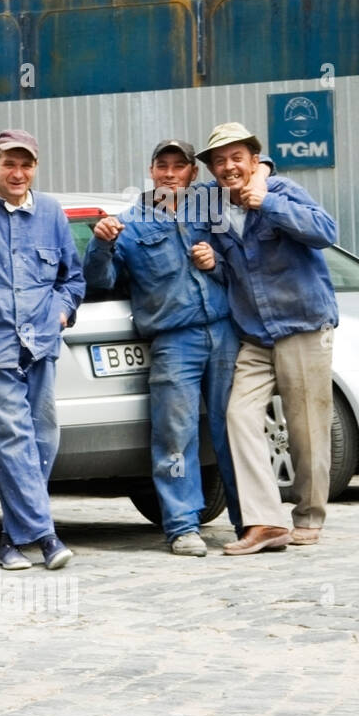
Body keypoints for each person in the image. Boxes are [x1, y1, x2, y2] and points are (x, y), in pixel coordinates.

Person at [83, 139, 249, 556]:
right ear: (152, 171)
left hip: (224, 332)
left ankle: (250, 520)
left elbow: (243, 267)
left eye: (180, 166)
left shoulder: (211, 214)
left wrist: (218, 262)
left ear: (193, 173)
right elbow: (99, 281)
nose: (171, 173)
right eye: (163, 166)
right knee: (175, 433)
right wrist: (100, 243)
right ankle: (182, 526)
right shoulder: (128, 223)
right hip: (174, 340)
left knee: (236, 429)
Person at [193, 122, 339, 555]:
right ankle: (266, 522)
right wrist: (210, 261)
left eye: (236, 157)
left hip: (302, 324)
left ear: (254, 160)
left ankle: (309, 517)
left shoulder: (283, 190)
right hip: (255, 333)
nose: (227, 166)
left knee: (306, 428)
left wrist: (270, 203)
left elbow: (325, 232)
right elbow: (234, 273)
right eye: (219, 161)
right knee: (239, 415)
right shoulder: (215, 210)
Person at [0, 130, 85, 571]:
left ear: (35, 168)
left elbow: (73, 279)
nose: (18, 172)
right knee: (12, 441)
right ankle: (47, 537)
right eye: (9, 163)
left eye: (26, 164)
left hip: (42, 345)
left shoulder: (50, 212)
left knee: (44, 438)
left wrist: (62, 313)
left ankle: (12, 538)